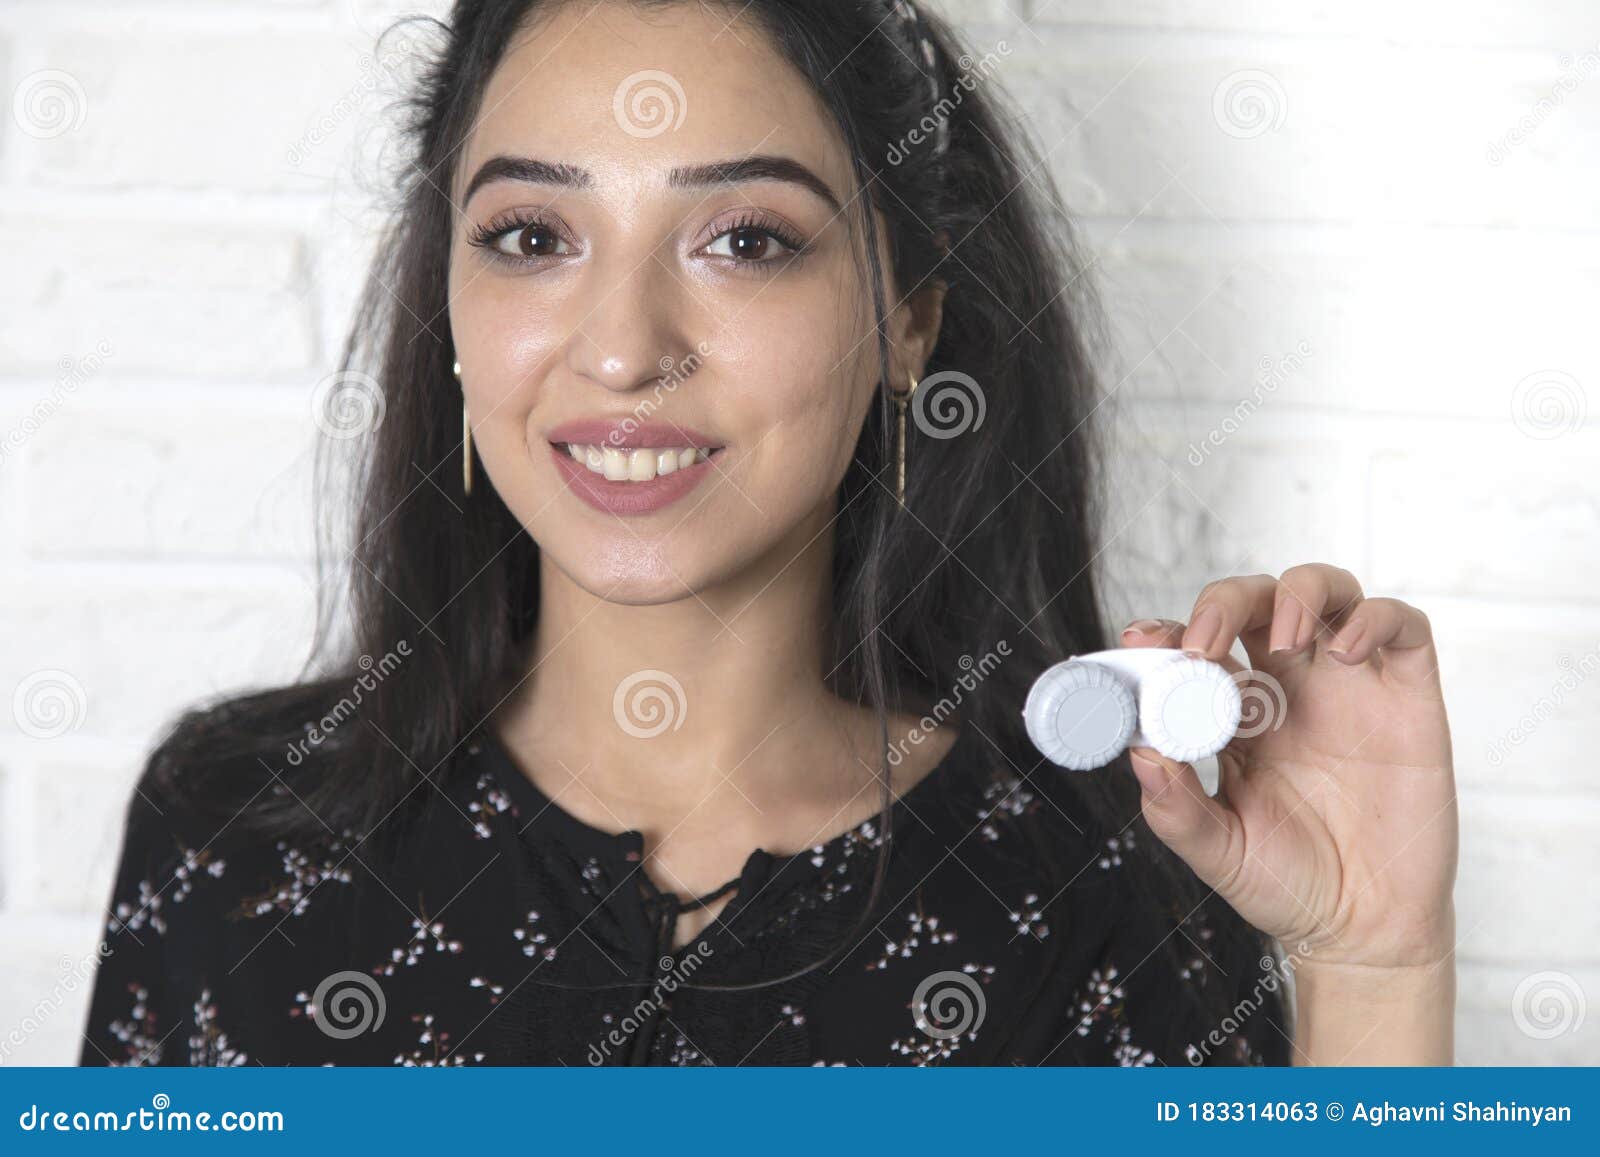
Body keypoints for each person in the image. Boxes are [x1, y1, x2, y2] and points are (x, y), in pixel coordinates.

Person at [78, 0, 1456, 1067]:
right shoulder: (234, 834)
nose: (622, 351)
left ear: (912, 316)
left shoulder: (1119, 884)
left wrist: (1377, 962)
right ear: (447, 297)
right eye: (529, 236)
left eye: (744, 239)